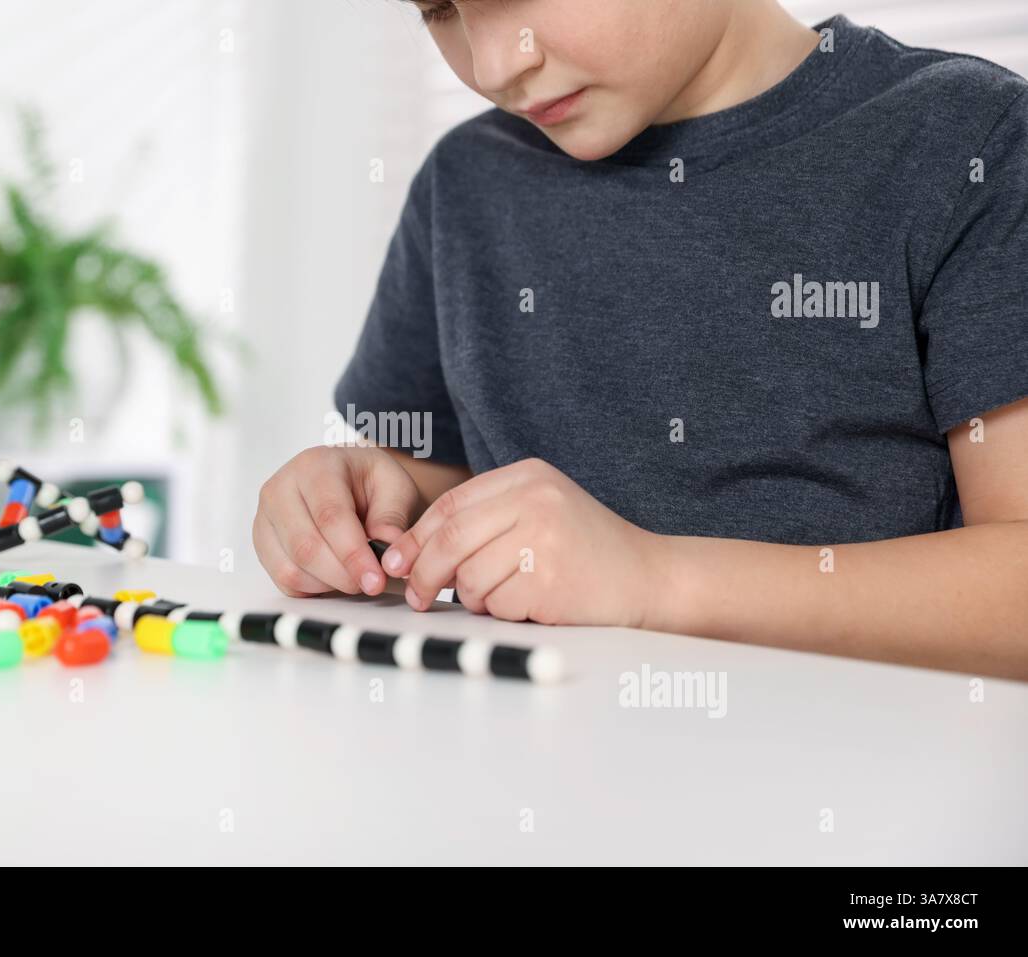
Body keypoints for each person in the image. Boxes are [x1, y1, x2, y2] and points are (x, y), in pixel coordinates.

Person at [253, 1, 1028, 679]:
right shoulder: (465, 185)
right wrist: (366, 506)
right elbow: (432, 481)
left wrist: (655, 581)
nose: (495, 63)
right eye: (439, 10)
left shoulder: (964, 144)